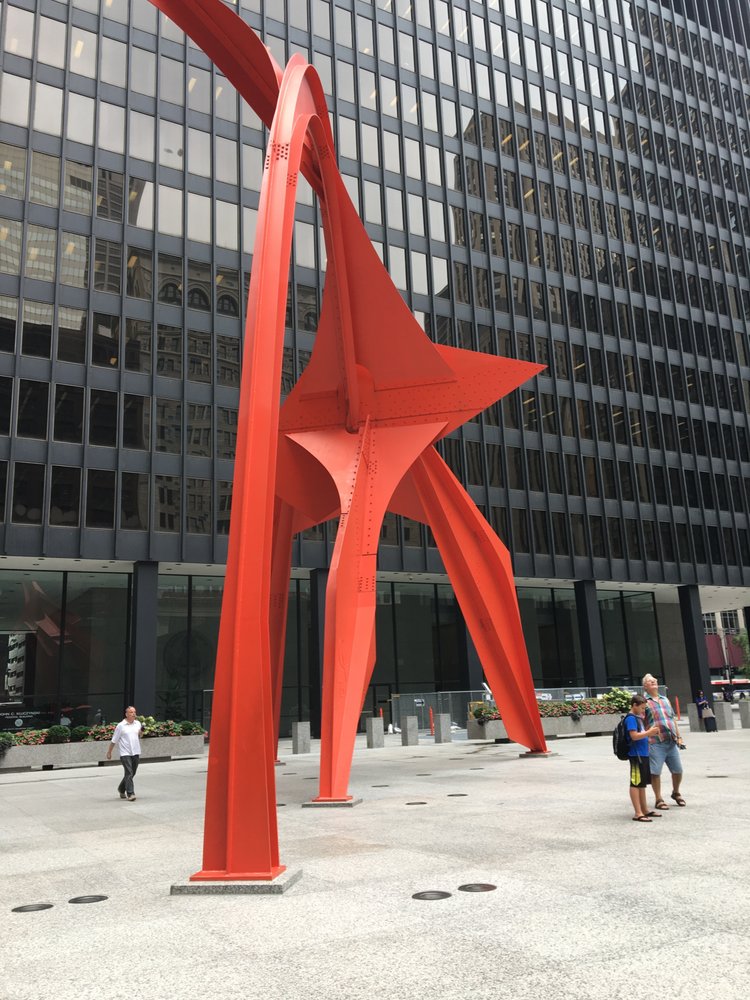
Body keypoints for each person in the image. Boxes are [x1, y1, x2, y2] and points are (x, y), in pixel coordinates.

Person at [642, 674, 685, 809]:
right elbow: (640, 722)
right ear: (645, 686)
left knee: (678, 770)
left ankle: (676, 792)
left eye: (654, 680)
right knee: (655, 772)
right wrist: (646, 737)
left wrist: (679, 736)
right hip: (655, 741)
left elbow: (672, 719)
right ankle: (658, 799)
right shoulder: (643, 702)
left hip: (671, 740)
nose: (653, 681)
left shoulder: (665, 699)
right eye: (650, 681)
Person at [625, 695, 660, 822]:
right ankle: (637, 812)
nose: (643, 711)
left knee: (642, 783)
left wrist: (648, 733)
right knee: (635, 782)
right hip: (636, 755)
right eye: (642, 708)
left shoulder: (638, 718)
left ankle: (644, 809)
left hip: (642, 754)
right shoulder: (631, 719)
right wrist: (649, 733)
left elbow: (640, 734)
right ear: (634, 705)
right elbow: (634, 736)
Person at [106, 706, 143, 801]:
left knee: (131, 773)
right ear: (126, 714)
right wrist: (109, 752)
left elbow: (139, 735)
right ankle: (130, 793)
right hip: (125, 753)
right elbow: (114, 740)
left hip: (135, 751)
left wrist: (141, 731)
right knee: (129, 772)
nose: (133, 714)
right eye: (131, 712)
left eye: (134, 712)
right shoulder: (121, 725)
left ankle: (121, 788)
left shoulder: (137, 723)